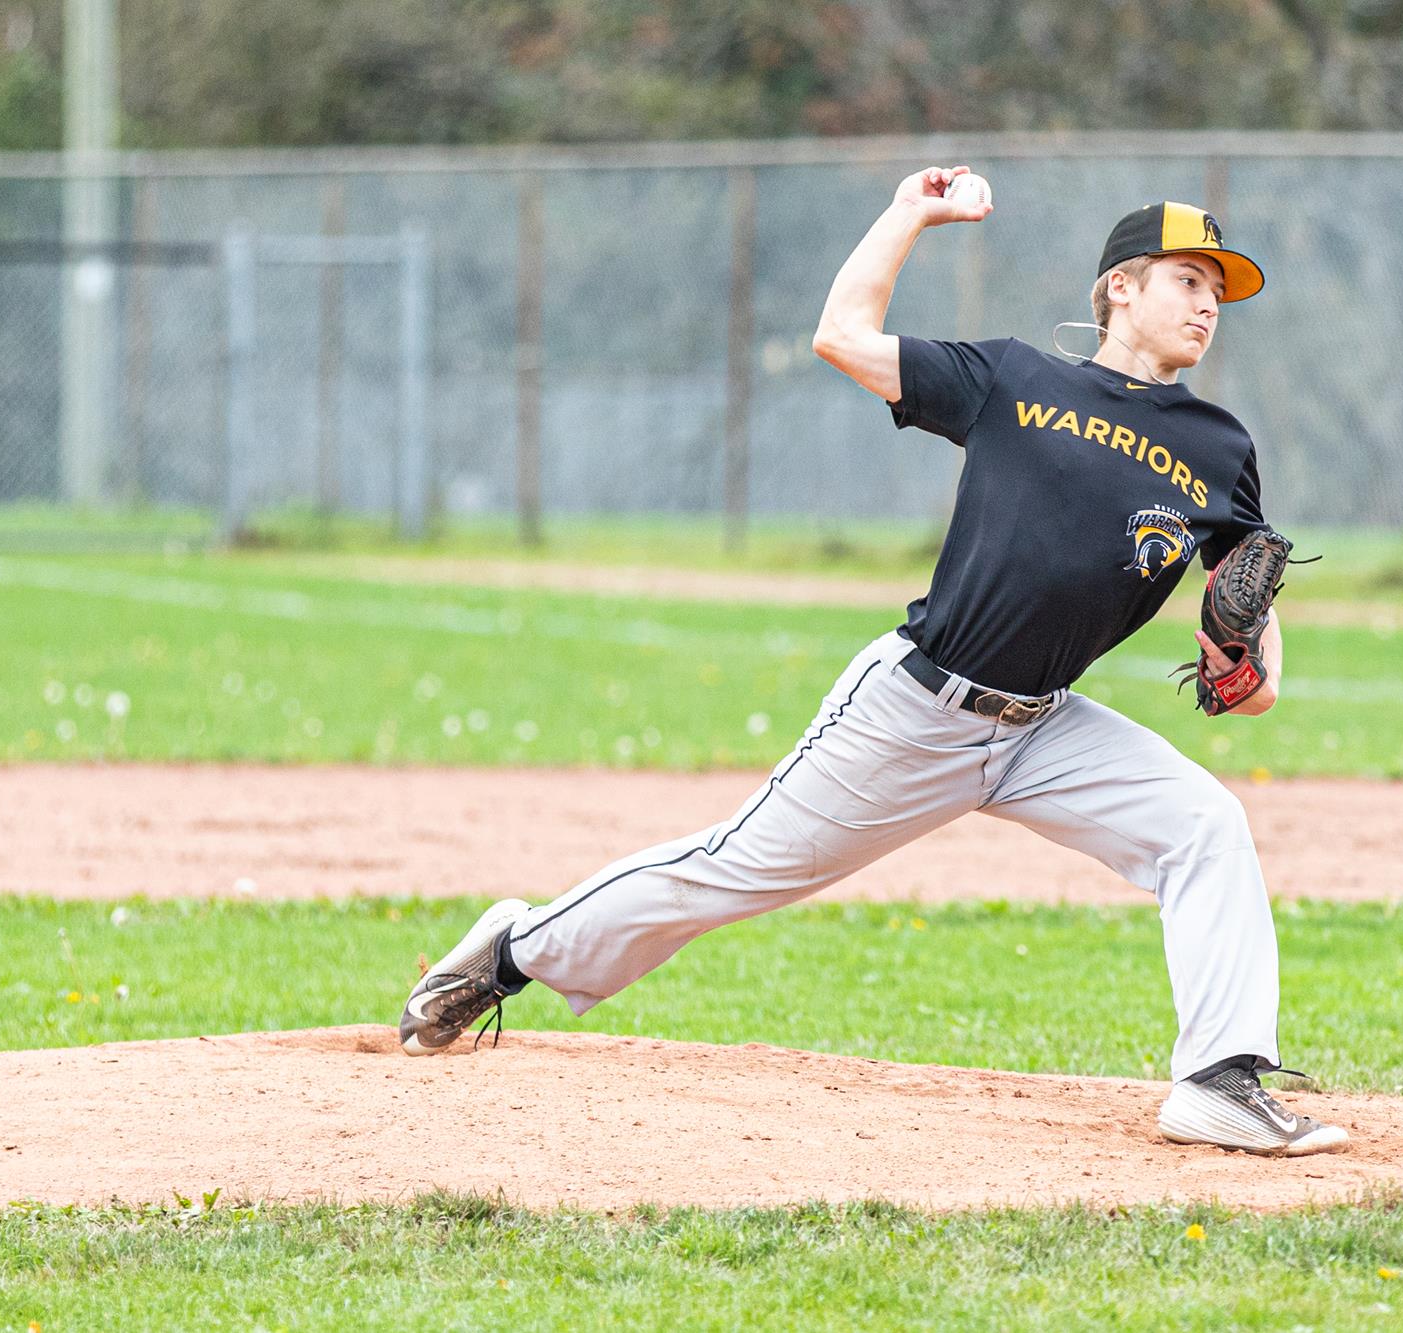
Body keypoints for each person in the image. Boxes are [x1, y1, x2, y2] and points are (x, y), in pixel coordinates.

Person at [397, 166, 1348, 1158]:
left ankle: (1218, 1078)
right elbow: (840, 335)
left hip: (1044, 726)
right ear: (1119, 286)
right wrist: (909, 214)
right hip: (917, 706)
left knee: (1203, 823)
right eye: (1186, 279)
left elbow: (1244, 579)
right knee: (734, 870)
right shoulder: (1015, 379)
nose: (1206, 304)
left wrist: (1252, 661)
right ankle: (512, 951)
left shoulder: (1214, 442)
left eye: (1216, 290)